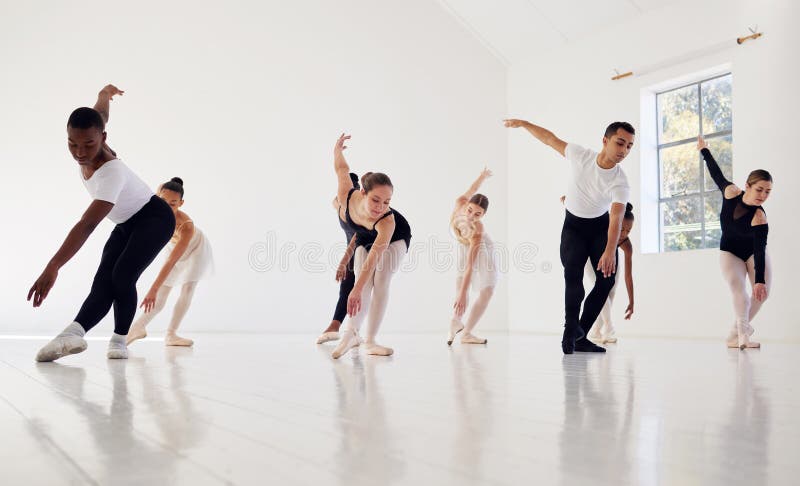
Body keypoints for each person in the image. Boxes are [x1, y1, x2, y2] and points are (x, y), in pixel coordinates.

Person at [29, 85, 175, 361]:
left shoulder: (112, 173)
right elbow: (100, 114)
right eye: (73, 144)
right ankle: (73, 333)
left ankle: (120, 341)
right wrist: (105, 95)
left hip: (155, 218)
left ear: (103, 139)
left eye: (89, 145)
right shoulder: (92, 132)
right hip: (126, 222)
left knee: (122, 276)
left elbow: (87, 224)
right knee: (103, 278)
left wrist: (53, 266)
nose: (80, 152)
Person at [505, 118, 634, 354]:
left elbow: (615, 218)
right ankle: (569, 331)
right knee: (573, 278)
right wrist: (524, 124)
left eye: (629, 146)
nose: (624, 151)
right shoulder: (581, 155)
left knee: (606, 280)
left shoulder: (620, 181)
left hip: (600, 229)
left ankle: (580, 334)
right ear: (605, 141)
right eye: (620, 143)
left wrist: (609, 250)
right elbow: (549, 138)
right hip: (573, 227)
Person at [329, 134, 412, 359]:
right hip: (366, 237)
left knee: (380, 279)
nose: (381, 206)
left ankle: (371, 340)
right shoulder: (346, 195)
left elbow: (375, 256)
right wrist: (337, 150)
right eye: (376, 200)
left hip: (395, 237)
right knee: (360, 281)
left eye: (387, 202)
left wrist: (356, 290)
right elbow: (341, 169)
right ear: (363, 192)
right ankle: (351, 335)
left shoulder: (387, 220)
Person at [698, 136, 772, 349]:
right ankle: (743, 337)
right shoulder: (731, 192)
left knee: (762, 293)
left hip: (752, 252)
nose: (763, 196)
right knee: (738, 290)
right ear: (747, 186)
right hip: (730, 251)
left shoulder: (760, 216)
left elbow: (759, 249)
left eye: (768, 192)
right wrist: (704, 150)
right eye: (759, 190)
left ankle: (735, 333)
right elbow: (715, 173)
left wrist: (759, 280)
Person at [127, 177, 215, 347]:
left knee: (187, 287)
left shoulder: (187, 226)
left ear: (181, 203)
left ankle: (171, 334)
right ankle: (137, 328)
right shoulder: (156, 206)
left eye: (173, 204)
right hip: (174, 246)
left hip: (195, 248)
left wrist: (153, 288)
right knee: (163, 293)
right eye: (162, 201)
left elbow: (171, 261)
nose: (166, 207)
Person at [448, 167, 497, 345]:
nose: (471, 216)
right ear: (465, 205)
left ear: (484, 215)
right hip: (463, 245)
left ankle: (466, 331)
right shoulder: (460, 202)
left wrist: (463, 293)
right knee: (460, 286)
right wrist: (482, 176)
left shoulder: (478, 229)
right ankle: (456, 322)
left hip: (481, 249)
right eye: (470, 210)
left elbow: (472, 264)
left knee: (488, 289)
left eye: (478, 214)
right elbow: (473, 189)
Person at [317, 173, 361, 345]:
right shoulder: (340, 202)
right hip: (353, 251)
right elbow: (334, 202)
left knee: (358, 290)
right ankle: (337, 327)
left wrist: (344, 260)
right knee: (346, 288)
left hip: (365, 249)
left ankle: (348, 329)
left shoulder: (357, 206)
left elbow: (358, 235)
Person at [585, 203, 635, 344]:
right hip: (590, 257)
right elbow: (589, 209)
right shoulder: (602, 226)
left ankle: (596, 331)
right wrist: (569, 202)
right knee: (602, 289)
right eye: (621, 228)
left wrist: (632, 301)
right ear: (614, 224)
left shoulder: (626, 244)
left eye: (628, 230)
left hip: (610, 256)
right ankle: (609, 328)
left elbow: (628, 275)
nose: (624, 234)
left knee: (611, 291)